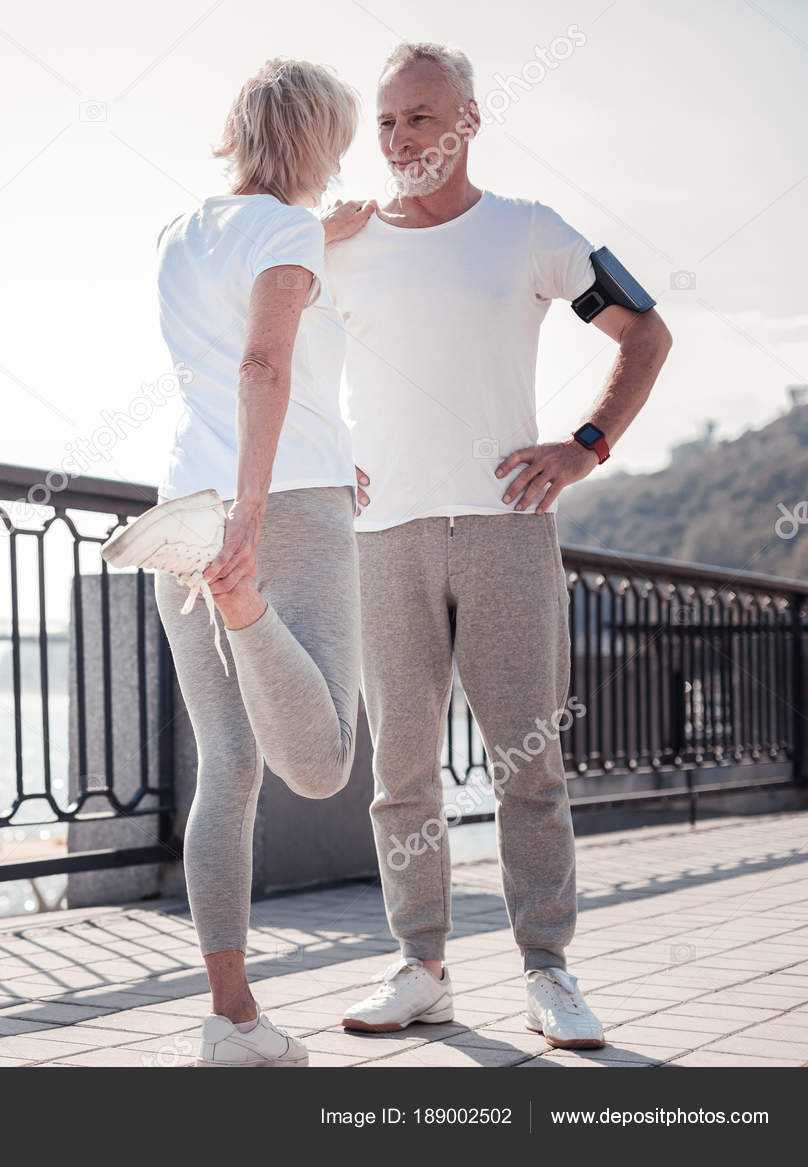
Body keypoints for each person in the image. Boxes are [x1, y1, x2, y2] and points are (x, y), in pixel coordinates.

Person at [322, 42, 672, 1049]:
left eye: (421, 117)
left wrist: (585, 445)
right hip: (382, 535)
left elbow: (646, 334)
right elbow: (264, 353)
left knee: (528, 763)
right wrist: (323, 454)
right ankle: (420, 967)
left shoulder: (529, 231)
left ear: (469, 121)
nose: (400, 141)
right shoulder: (339, 244)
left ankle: (548, 970)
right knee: (401, 773)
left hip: (507, 529)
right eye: (387, 122)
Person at [100, 56, 369, 1068]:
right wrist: (254, 509)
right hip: (281, 504)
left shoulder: (180, 233)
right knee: (321, 760)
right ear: (316, 140)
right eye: (338, 140)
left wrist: (328, 232)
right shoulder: (288, 231)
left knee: (228, 762)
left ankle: (233, 1021)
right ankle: (244, 603)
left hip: (182, 509)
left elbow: (229, 348)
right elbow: (264, 362)